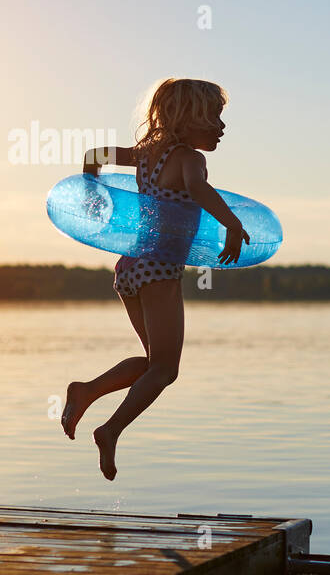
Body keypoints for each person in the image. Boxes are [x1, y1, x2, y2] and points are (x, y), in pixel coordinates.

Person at [61, 78, 250, 480]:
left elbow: (95, 154)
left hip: (129, 268)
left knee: (153, 364)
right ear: (187, 118)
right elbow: (198, 189)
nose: (221, 126)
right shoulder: (189, 159)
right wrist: (232, 224)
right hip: (160, 269)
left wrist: (93, 189)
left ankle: (86, 390)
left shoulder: (146, 155)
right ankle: (110, 430)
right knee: (167, 371)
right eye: (213, 116)